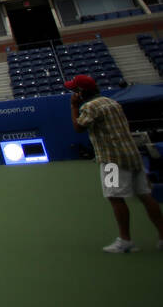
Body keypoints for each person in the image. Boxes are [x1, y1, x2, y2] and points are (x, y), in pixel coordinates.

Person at [68, 74, 163, 253]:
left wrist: (73, 106)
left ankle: (125, 240)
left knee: (115, 198)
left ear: (81, 92)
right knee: (145, 195)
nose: (73, 93)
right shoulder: (112, 102)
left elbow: (78, 127)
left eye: (75, 90)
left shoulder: (90, 106)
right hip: (132, 155)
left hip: (112, 160)